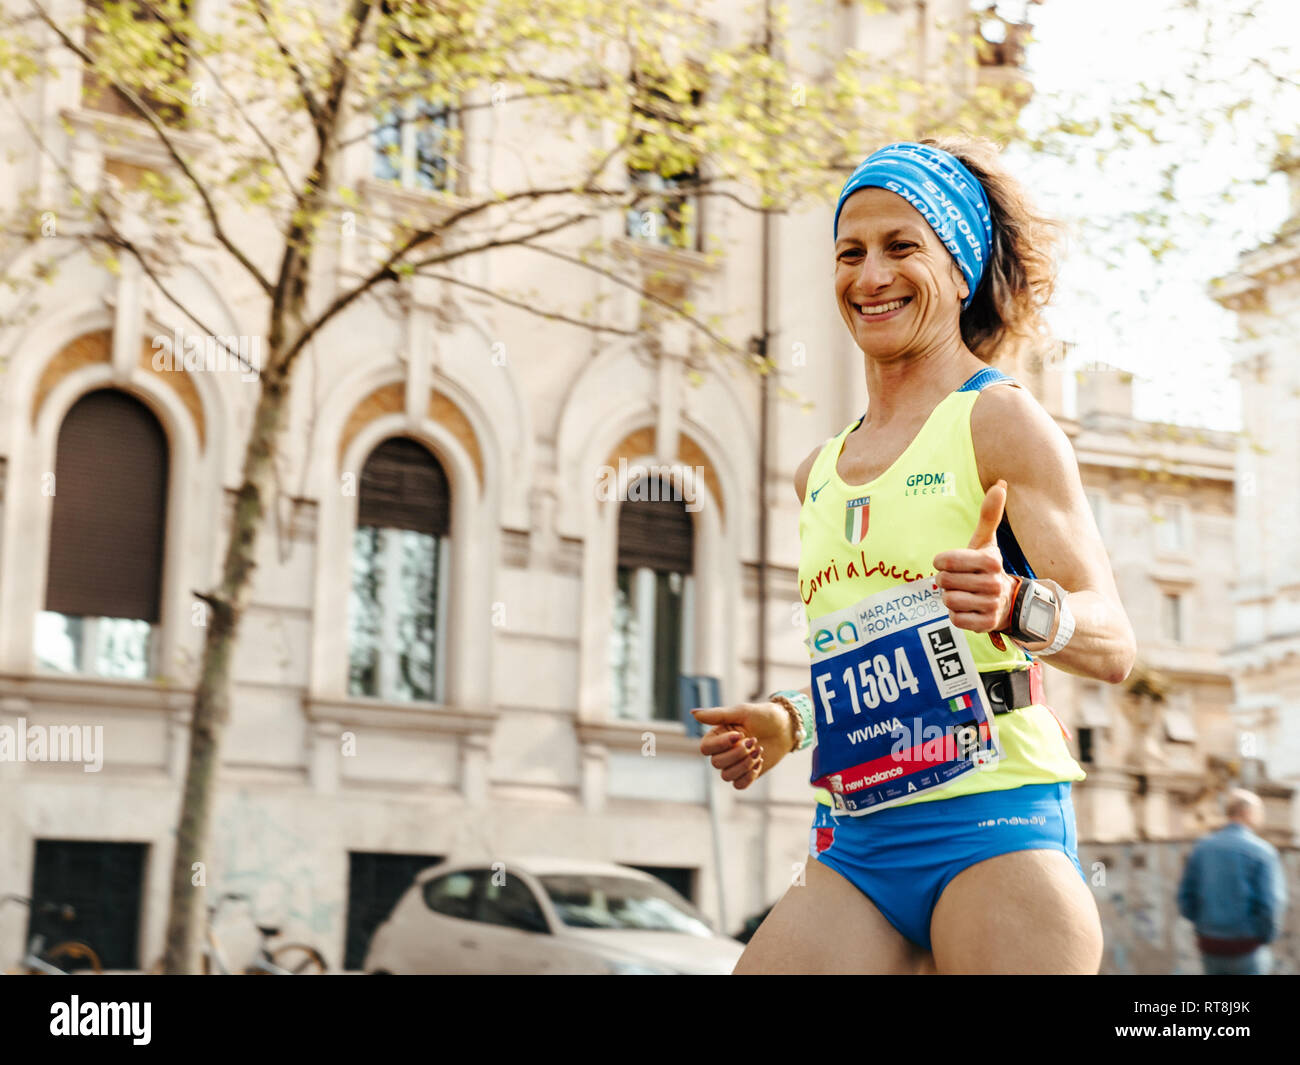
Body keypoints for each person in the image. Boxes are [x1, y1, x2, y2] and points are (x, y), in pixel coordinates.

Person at [692, 137, 1137, 975]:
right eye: (850, 252)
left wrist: (1017, 605)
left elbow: (1113, 642)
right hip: (859, 839)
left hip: (994, 824)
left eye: (903, 247)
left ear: (960, 268)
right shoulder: (817, 474)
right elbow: (889, 657)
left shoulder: (999, 420)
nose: (871, 275)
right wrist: (788, 720)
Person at [1177, 789, 1287, 974]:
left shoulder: (1202, 848)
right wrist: (1264, 937)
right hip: (1246, 945)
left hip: (1210, 943)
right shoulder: (1262, 852)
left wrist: (1204, 926)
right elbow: (1270, 904)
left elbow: (1186, 897)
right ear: (1248, 813)